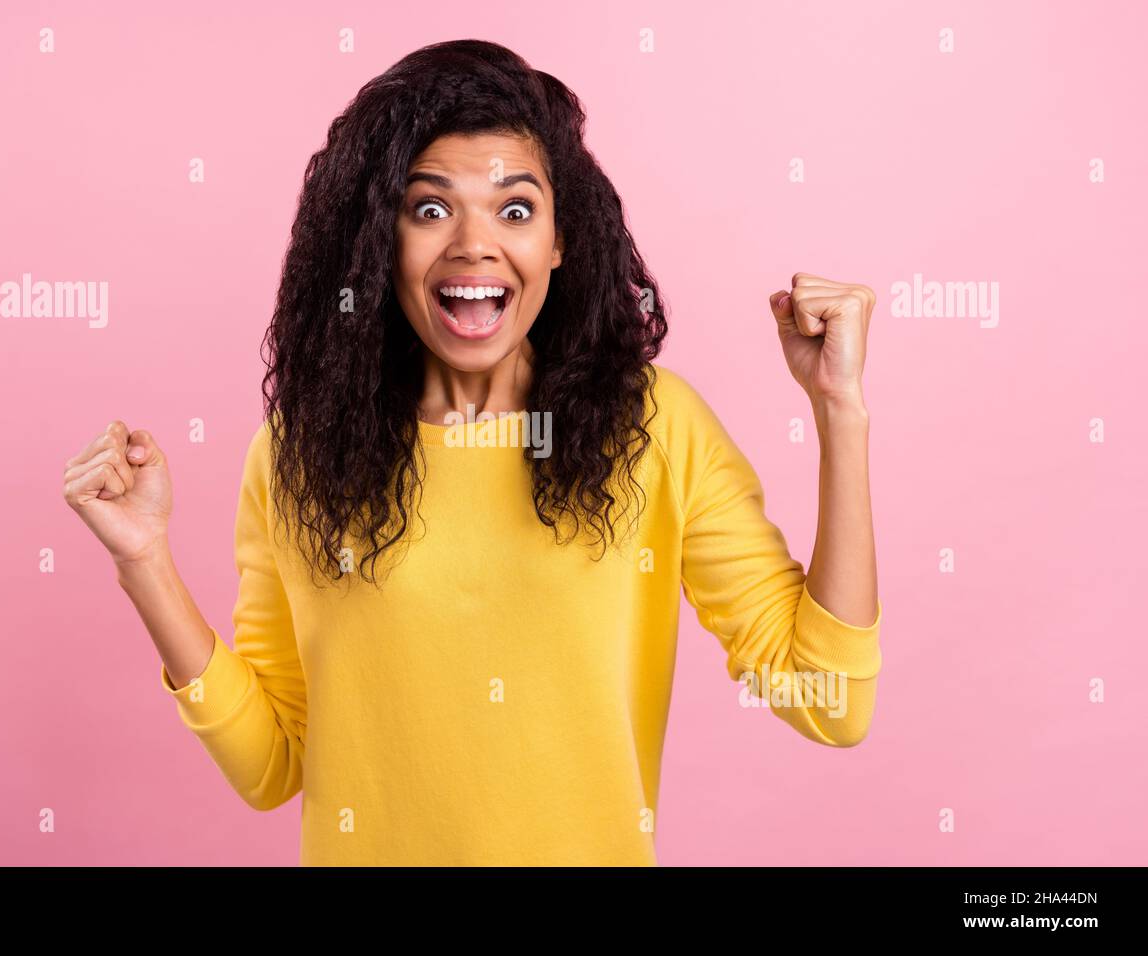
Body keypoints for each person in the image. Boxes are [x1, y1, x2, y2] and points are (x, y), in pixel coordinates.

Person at [61, 39, 882, 866]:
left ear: (561, 242)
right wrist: (144, 562)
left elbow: (834, 702)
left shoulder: (656, 429)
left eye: (515, 209)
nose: (473, 245)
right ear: (379, 243)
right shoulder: (300, 452)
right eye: (429, 209)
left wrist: (838, 408)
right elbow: (275, 762)